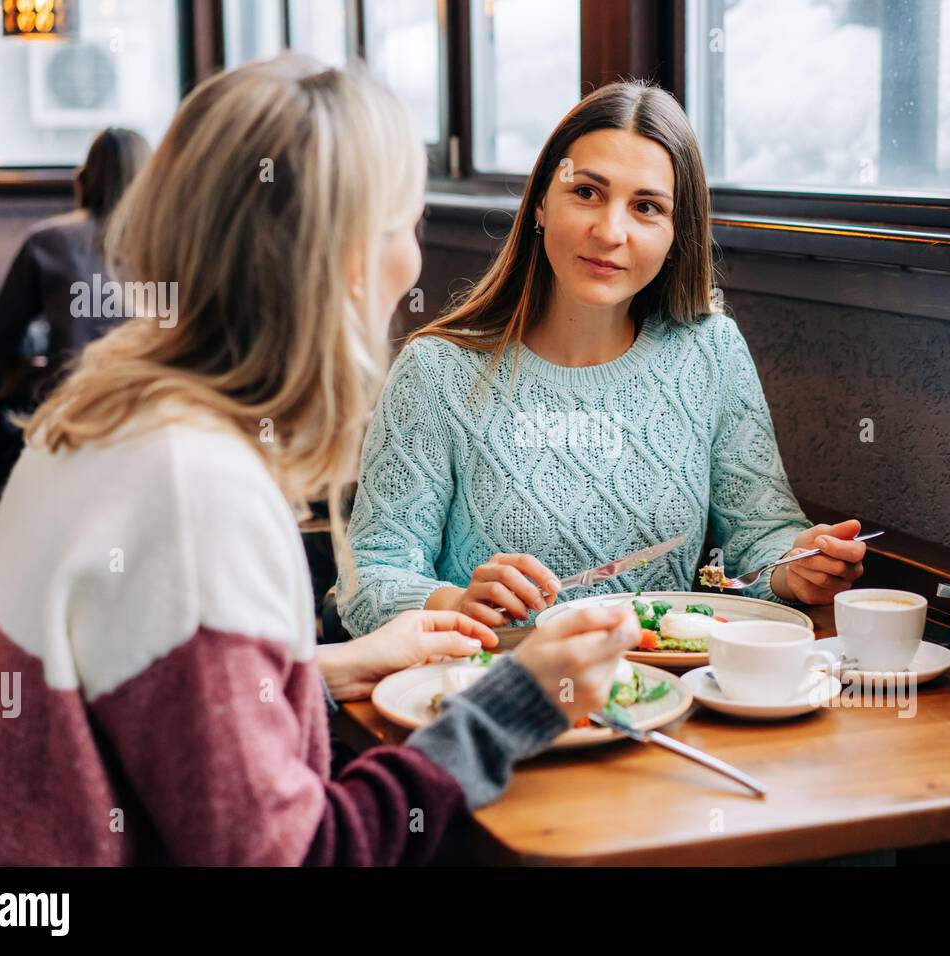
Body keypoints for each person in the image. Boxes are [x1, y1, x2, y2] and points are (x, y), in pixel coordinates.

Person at [0, 54, 638, 867]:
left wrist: (323, 666)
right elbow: (297, 856)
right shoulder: (197, 490)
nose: (413, 259)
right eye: (406, 221)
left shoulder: (106, 410)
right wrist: (516, 704)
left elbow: (168, 703)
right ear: (348, 262)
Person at [339, 80, 867, 638]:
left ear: (674, 235)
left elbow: (759, 542)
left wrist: (798, 567)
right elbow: (368, 580)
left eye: (646, 207)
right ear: (541, 202)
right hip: (496, 699)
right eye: (586, 192)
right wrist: (455, 600)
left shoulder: (711, 352)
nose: (610, 232)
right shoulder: (437, 372)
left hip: (674, 699)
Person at [0, 127, 151, 383]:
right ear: (154, 182)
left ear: (82, 179)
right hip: (160, 410)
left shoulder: (48, 242)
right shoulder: (180, 248)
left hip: (74, 410)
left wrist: (54, 332)